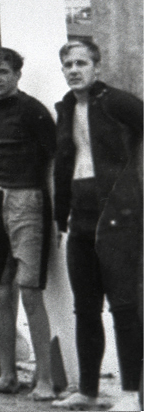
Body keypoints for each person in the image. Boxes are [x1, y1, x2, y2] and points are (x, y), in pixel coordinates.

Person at [52, 39, 142, 411]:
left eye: (82, 63)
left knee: (123, 305)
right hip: (80, 215)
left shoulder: (117, 102)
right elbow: (63, 163)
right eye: (68, 65)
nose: (74, 70)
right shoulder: (67, 106)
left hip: (118, 215)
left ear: (97, 67)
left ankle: (131, 394)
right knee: (85, 308)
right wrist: (61, 217)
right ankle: (88, 391)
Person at [0, 47, 58, 396]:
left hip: (30, 200)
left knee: (29, 290)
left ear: (17, 74)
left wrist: (55, 212)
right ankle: (7, 375)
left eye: (4, 71)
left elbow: (53, 163)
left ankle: (45, 379)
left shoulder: (34, 112)